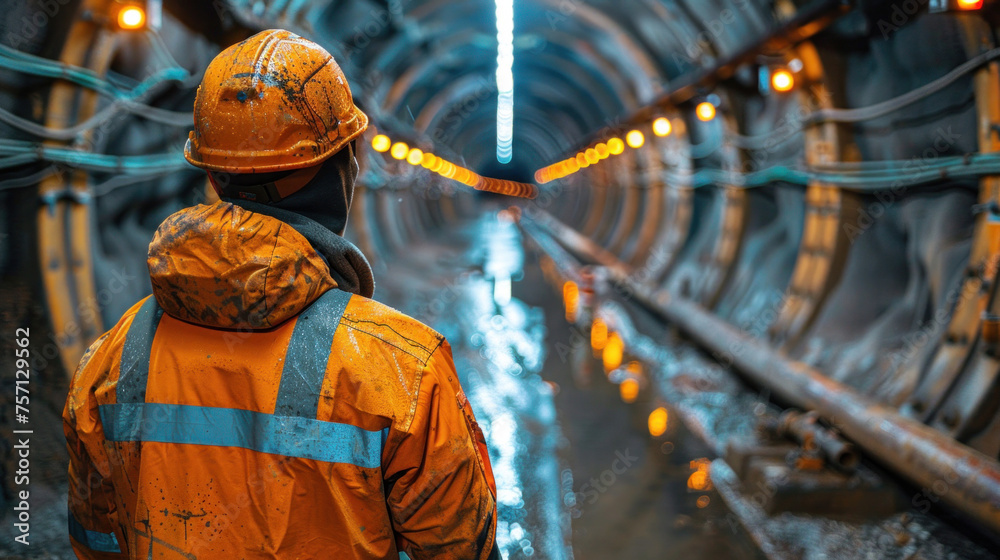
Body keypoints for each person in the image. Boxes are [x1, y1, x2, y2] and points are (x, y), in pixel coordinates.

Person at [63, 29, 499, 560]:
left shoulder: (110, 360)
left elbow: (96, 541)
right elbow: (459, 549)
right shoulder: (403, 371)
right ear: (344, 166)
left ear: (215, 177)